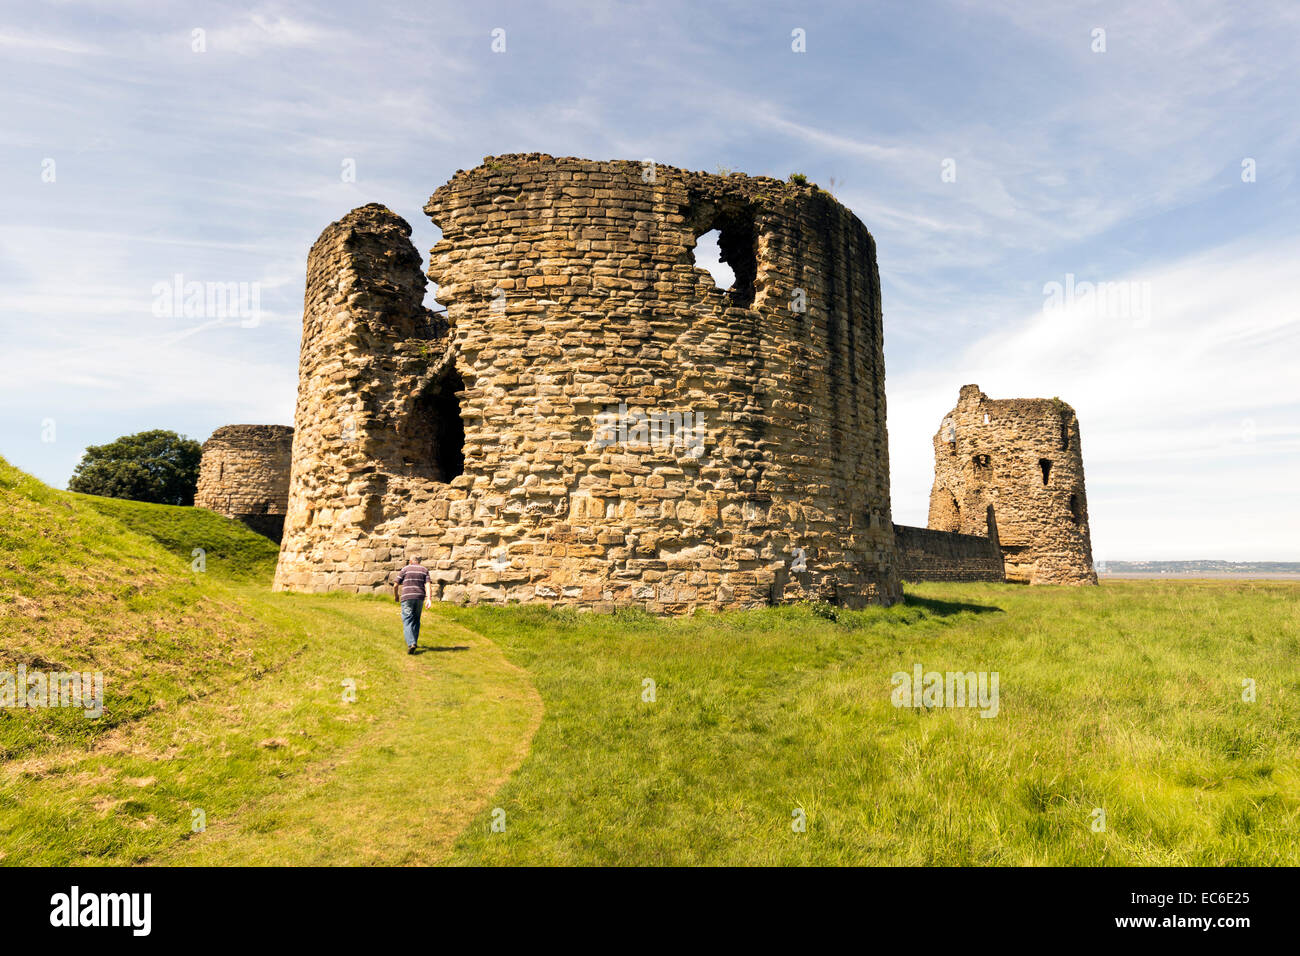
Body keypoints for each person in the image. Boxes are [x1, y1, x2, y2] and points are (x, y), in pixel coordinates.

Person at [393, 555, 432, 654]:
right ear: (419, 561)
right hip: (419, 598)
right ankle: (414, 641)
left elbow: (396, 584)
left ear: (410, 561)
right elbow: (428, 585)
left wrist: (396, 596)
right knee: (416, 620)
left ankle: (411, 643)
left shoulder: (405, 569)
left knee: (407, 619)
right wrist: (429, 599)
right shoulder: (424, 570)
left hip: (407, 597)